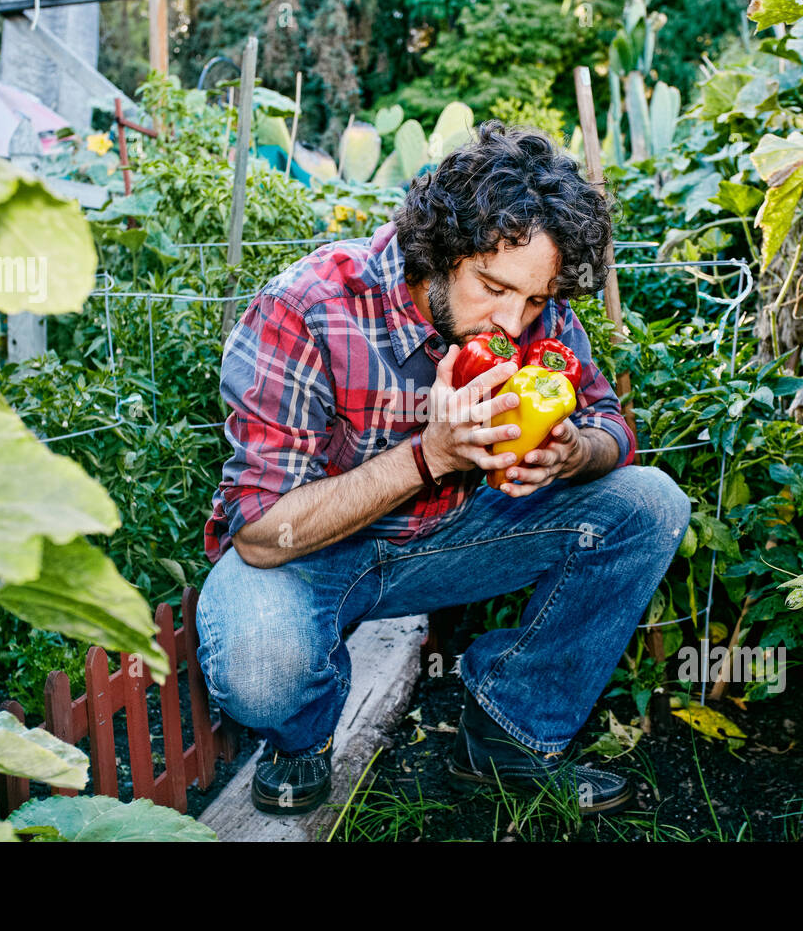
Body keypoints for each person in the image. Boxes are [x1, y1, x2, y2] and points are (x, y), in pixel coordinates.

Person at [197, 120, 691, 817]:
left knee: (650, 505)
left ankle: (508, 738)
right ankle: (301, 739)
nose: (515, 322)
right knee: (259, 660)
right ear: (442, 250)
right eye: (493, 287)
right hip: (310, 553)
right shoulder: (308, 308)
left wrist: (575, 451)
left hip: (451, 540)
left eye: (536, 300)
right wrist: (430, 456)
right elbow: (259, 533)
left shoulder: (526, 312)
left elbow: (611, 424)